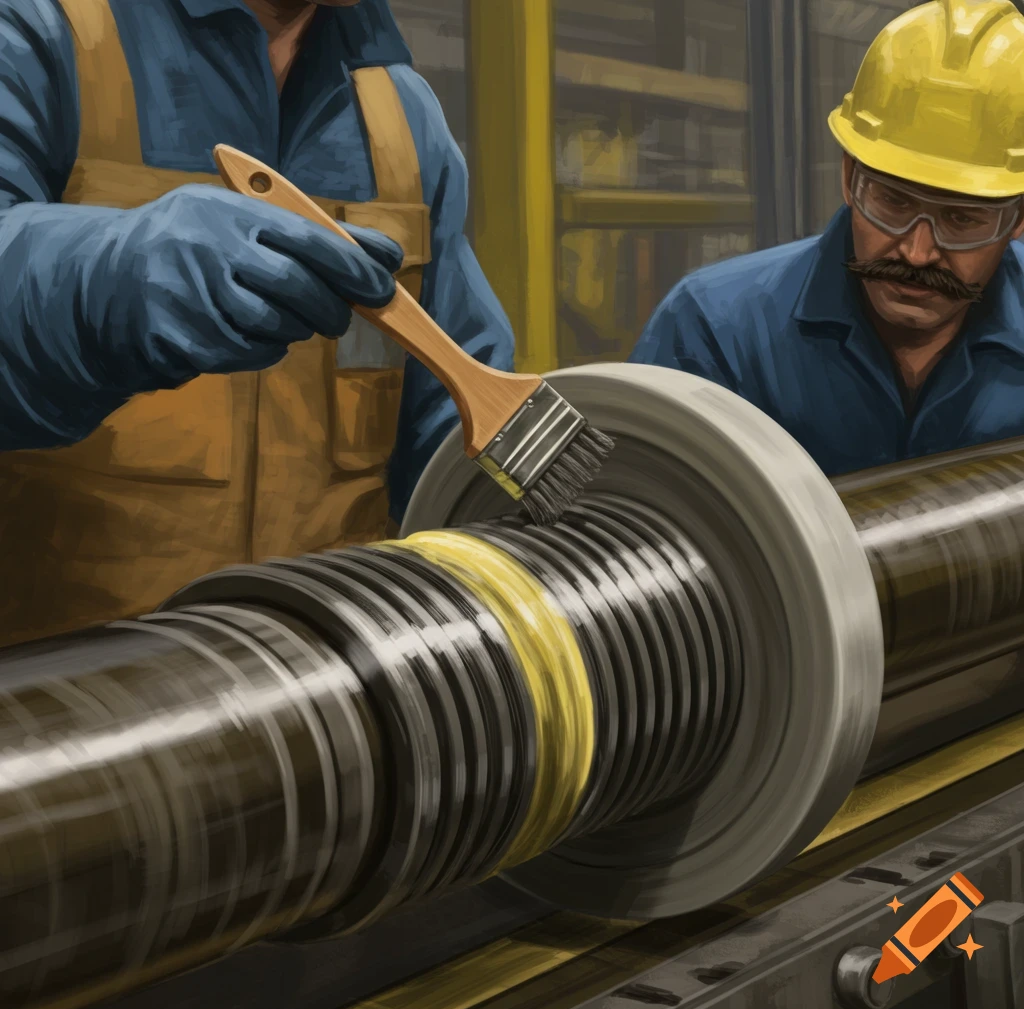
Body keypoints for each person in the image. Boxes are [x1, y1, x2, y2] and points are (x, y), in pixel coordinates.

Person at [0, 0, 514, 644]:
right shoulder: (40, 33)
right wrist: (108, 284)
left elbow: (448, 420)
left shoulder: (401, 119)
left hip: (341, 698)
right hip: (64, 706)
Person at [630, 0, 1024, 482]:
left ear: (1019, 217)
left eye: (963, 221)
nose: (918, 252)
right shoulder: (714, 332)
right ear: (849, 176)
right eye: (893, 204)